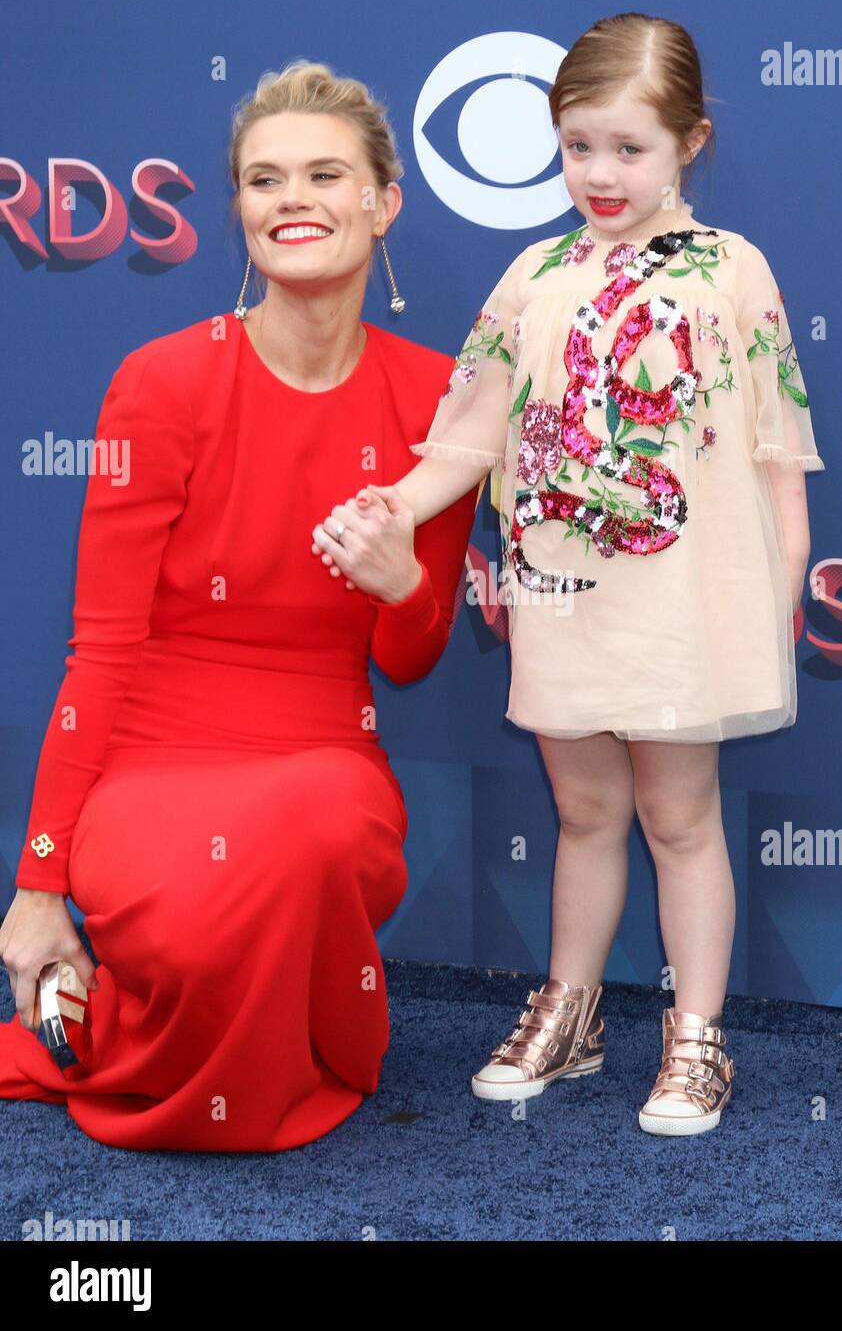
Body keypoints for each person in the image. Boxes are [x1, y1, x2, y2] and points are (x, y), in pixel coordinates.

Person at [312, 14, 825, 1137]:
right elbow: (467, 435)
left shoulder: (730, 271)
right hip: (555, 589)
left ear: (689, 142)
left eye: (628, 148)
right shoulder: (532, 271)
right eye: (576, 145)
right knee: (583, 809)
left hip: (684, 599)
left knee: (679, 818)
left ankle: (694, 1037)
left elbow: (777, 450)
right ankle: (571, 1010)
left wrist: (779, 584)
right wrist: (392, 502)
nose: (599, 173)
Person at [0, 60, 481, 1151]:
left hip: (321, 748)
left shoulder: (437, 402)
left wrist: (400, 583)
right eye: (264, 180)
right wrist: (37, 886)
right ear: (238, 211)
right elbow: (102, 653)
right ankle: (175, 1031)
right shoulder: (162, 382)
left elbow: (409, 659)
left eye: (325, 173)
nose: (293, 199)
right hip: (152, 754)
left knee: (306, 824)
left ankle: (142, 1033)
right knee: (200, 902)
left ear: (382, 201)